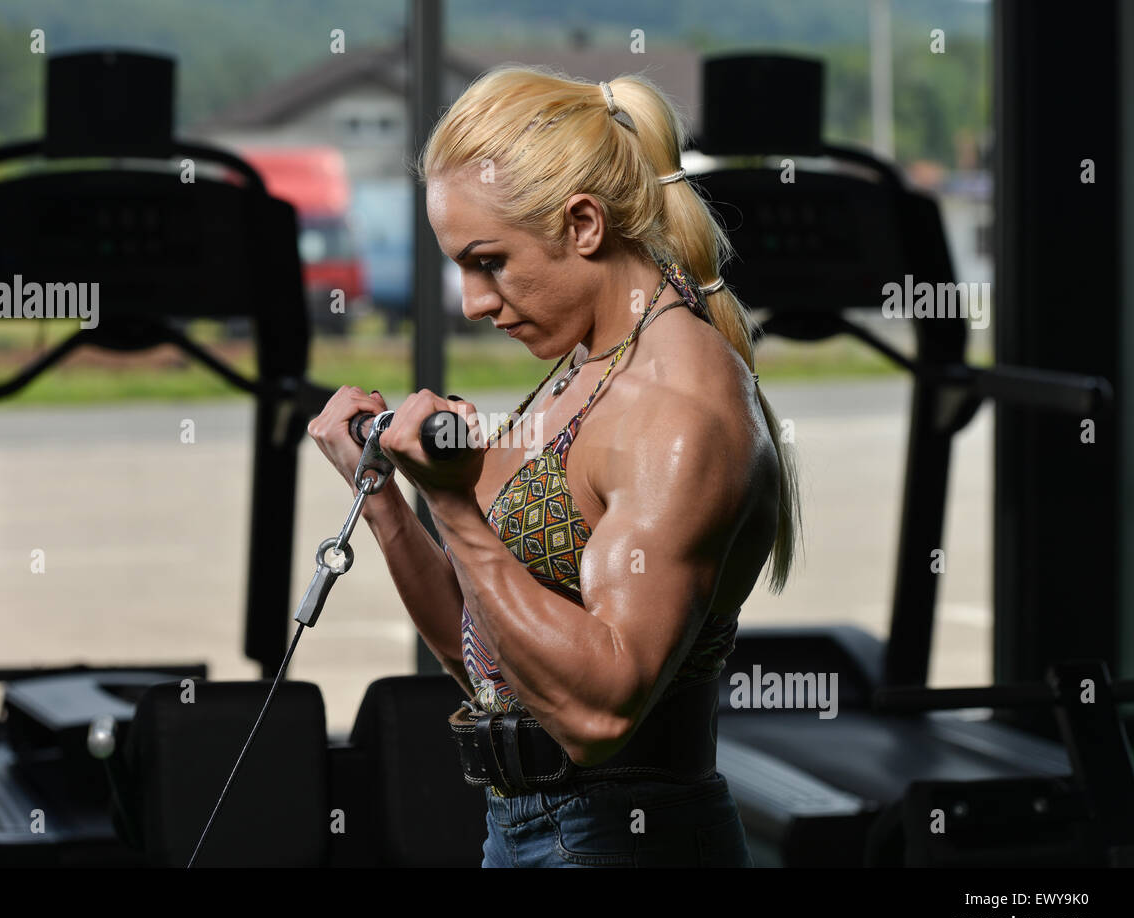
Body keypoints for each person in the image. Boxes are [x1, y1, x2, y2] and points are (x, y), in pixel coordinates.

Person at [307, 66, 801, 867]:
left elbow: (600, 714)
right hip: (523, 830)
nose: (473, 301)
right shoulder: (587, 366)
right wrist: (387, 500)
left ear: (582, 224)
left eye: (489, 261)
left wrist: (457, 509)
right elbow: (489, 657)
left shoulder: (678, 410)